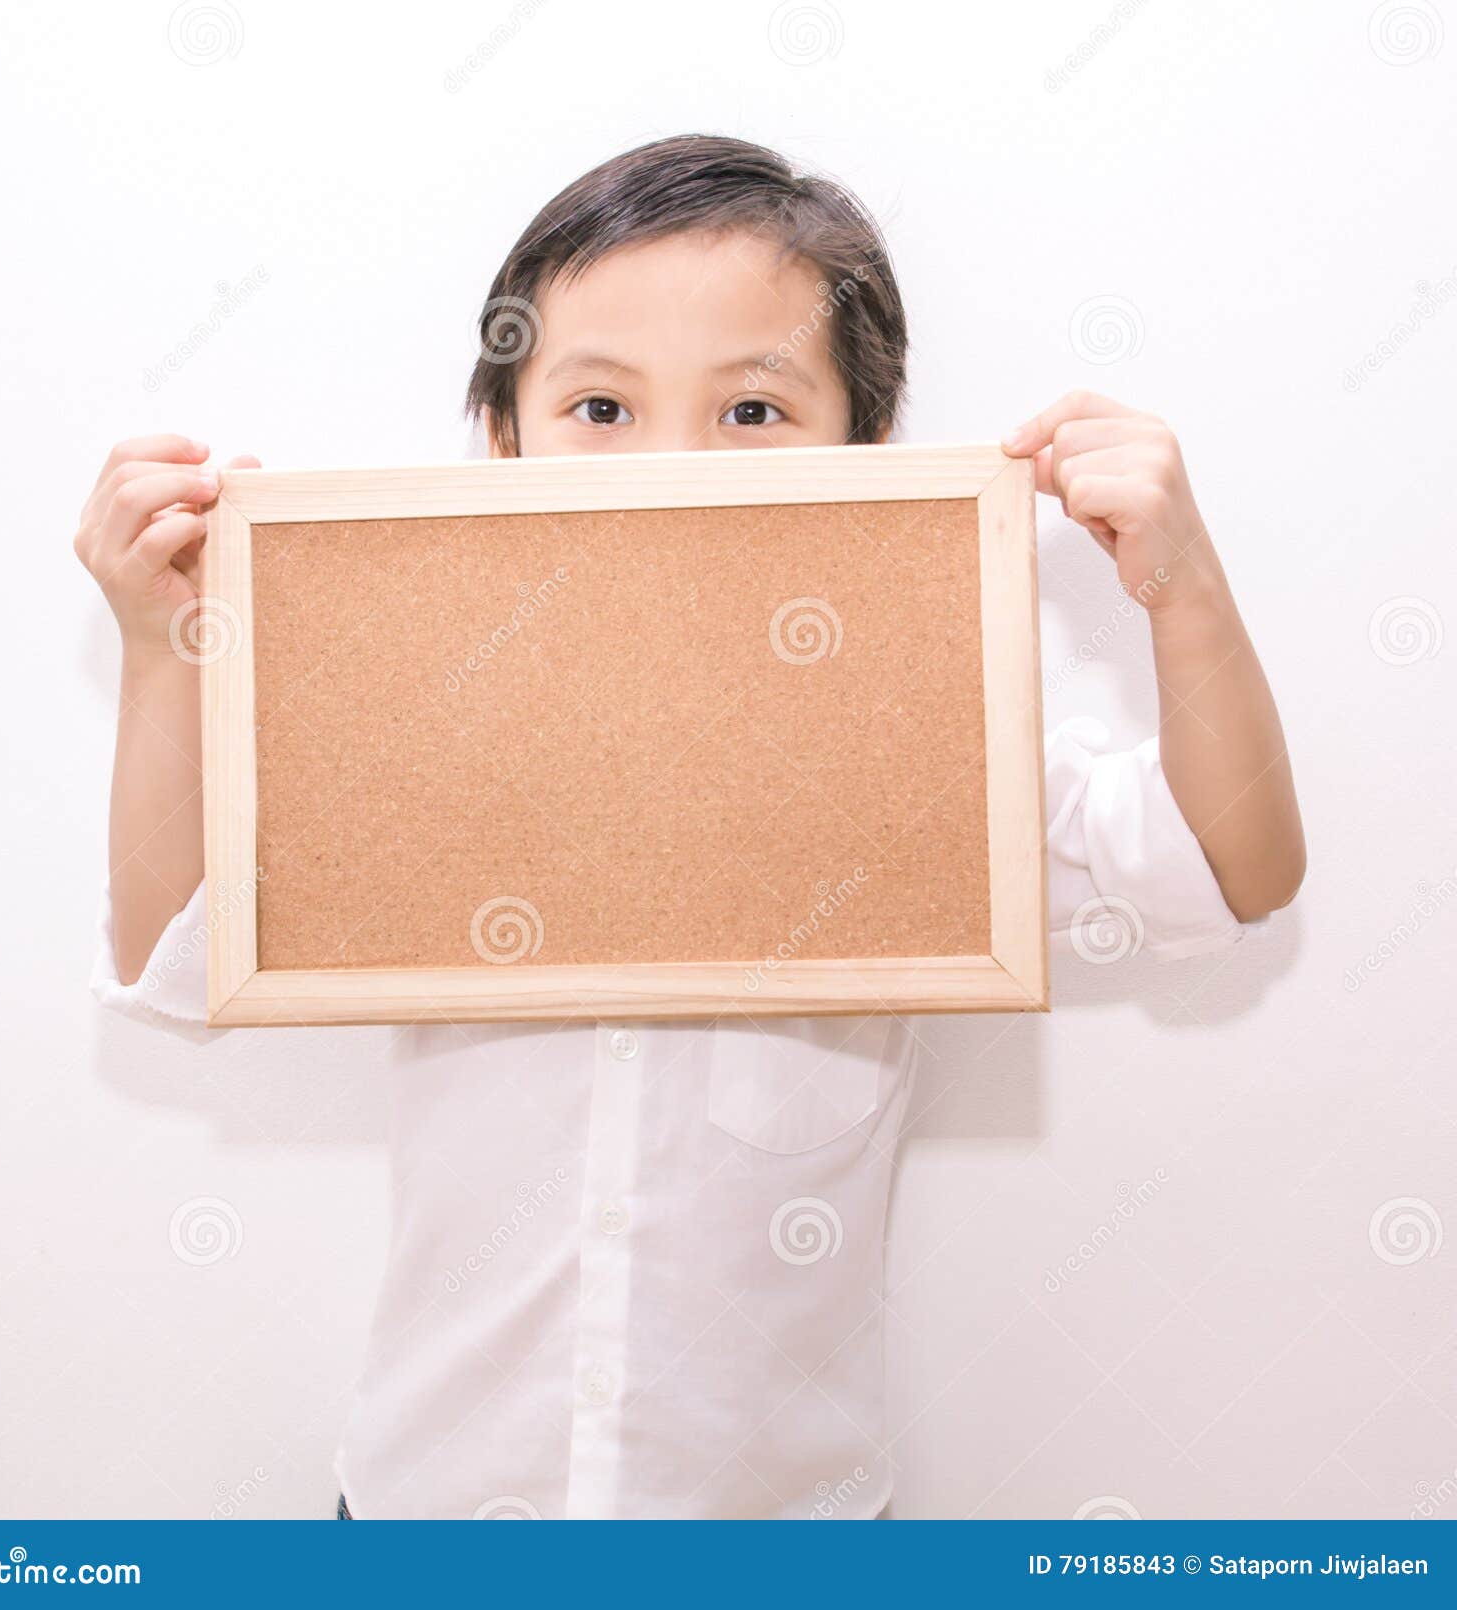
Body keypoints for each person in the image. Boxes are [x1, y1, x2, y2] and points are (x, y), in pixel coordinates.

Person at [75, 135, 1304, 1519]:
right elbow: (174, 941)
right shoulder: (415, 733)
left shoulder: (923, 752)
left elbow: (1231, 865)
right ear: (502, 444)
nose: (674, 467)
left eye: (753, 411)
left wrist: (1184, 589)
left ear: (865, 456)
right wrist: (159, 645)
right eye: (601, 407)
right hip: (431, 1504)